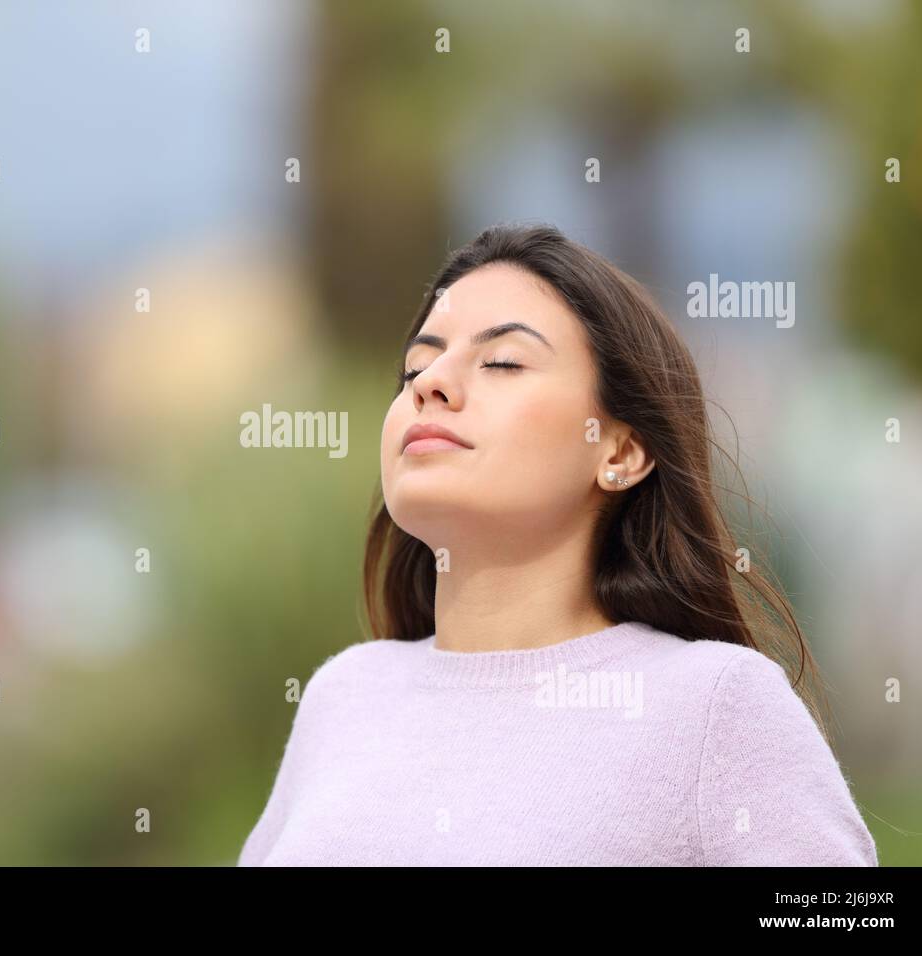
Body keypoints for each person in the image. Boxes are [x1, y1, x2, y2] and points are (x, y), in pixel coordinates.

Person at [237, 223, 878, 866]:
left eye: (503, 362)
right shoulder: (343, 698)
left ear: (622, 451)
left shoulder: (715, 705)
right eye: (415, 367)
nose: (430, 383)